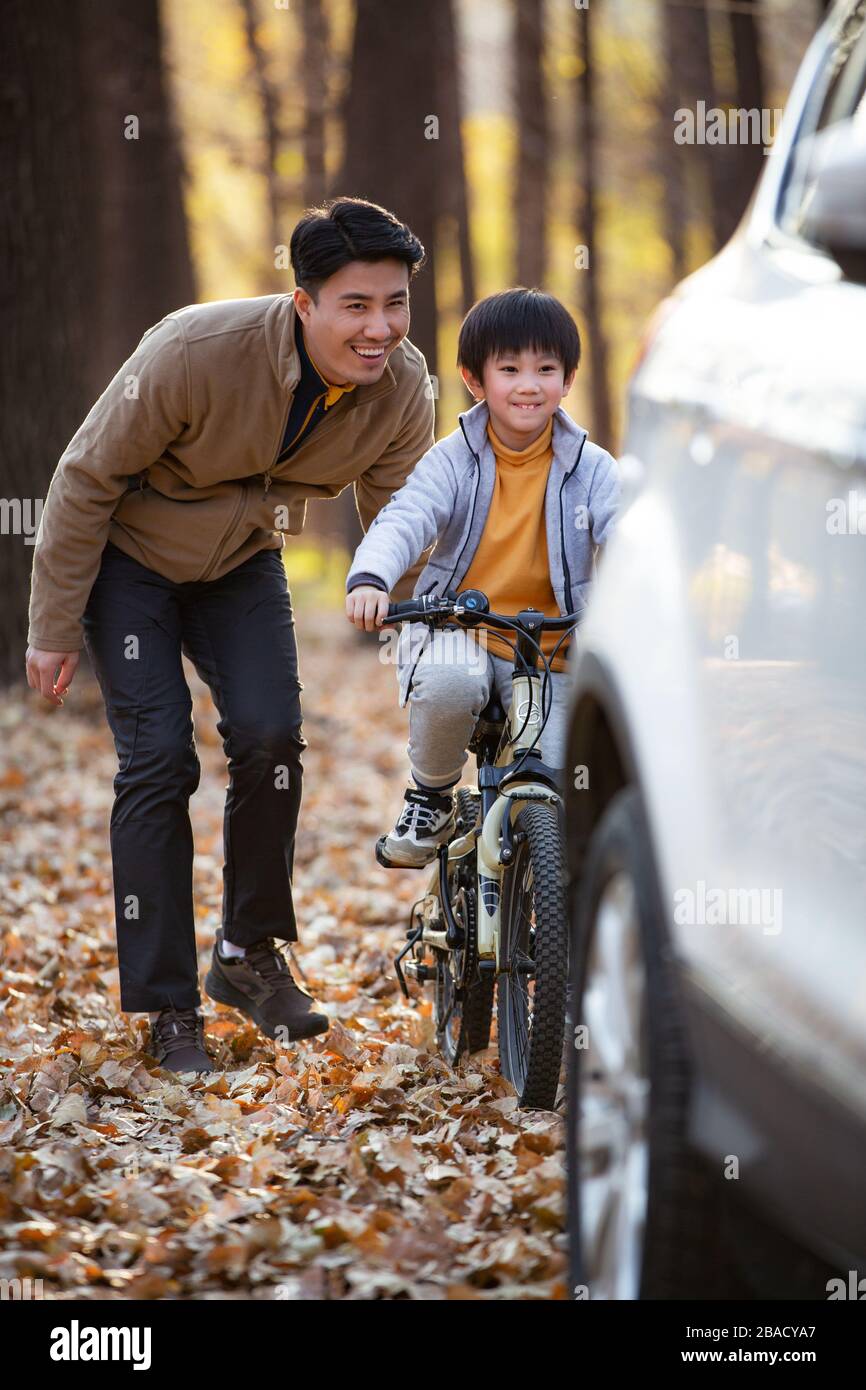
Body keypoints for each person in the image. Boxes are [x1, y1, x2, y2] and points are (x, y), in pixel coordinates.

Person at [25, 198, 435, 1072]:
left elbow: (404, 518)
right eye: (356, 306)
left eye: (395, 303)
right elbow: (84, 476)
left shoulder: (401, 387)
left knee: (271, 736)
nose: (380, 328)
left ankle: (248, 956)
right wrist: (54, 626)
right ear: (305, 304)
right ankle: (170, 1008)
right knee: (161, 758)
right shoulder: (192, 352)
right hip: (130, 561)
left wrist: (430, 620)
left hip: (242, 562)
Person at [345, 287, 619, 867]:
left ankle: (543, 910)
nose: (528, 384)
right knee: (447, 684)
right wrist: (371, 576)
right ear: (475, 380)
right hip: (461, 631)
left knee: (560, 783)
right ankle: (432, 796)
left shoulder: (591, 467)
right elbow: (409, 515)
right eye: (510, 368)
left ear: (568, 379)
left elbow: (628, 531)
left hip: (553, 647)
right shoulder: (453, 460)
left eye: (546, 369)